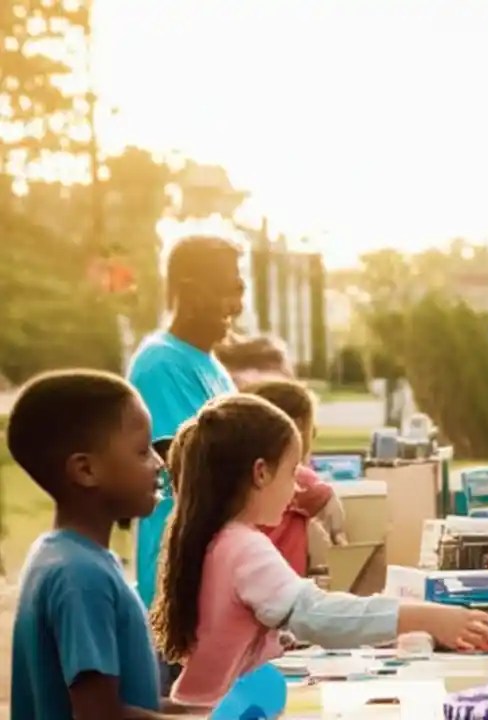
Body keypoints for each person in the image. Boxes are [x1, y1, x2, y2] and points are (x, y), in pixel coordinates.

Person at [152, 394, 488, 707]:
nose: (298, 486)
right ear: (260, 473)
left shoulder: (215, 538)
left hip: (206, 703)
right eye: (291, 473)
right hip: (217, 710)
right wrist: (428, 617)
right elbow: (318, 616)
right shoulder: (244, 547)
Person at [6, 371, 191, 718]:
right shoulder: (80, 575)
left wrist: (202, 712)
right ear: (86, 470)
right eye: (141, 451)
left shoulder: (59, 555)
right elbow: (100, 715)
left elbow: (130, 704)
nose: (159, 463)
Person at [127, 235, 243, 616]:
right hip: (181, 585)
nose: (237, 306)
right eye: (228, 292)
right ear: (190, 293)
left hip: (216, 575)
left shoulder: (210, 364)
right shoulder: (161, 363)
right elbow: (193, 465)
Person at [242, 379, 346, 575]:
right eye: (312, 430)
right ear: (296, 428)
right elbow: (334, 516)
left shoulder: (235, 478)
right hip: (286, 586)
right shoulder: (303, 483)